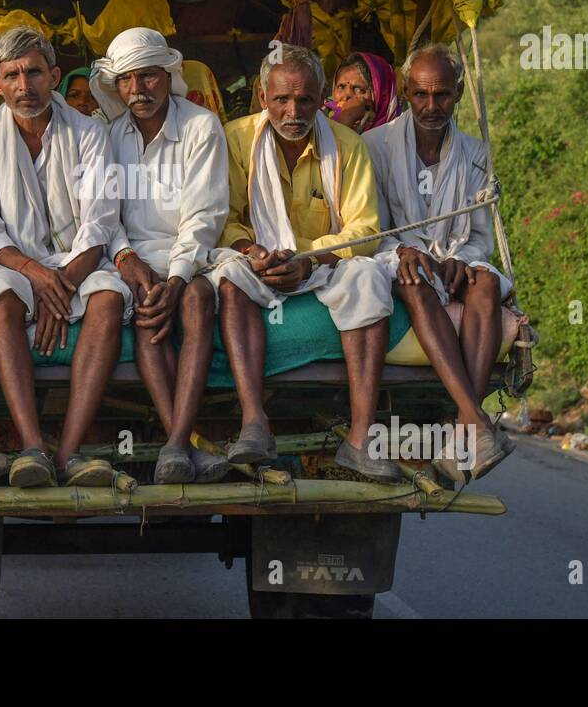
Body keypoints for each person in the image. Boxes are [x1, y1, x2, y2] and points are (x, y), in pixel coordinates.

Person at [205, 45, 400, 482]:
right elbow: (221, 221)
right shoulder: (233, 139)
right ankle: (255, 423)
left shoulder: (348, 145)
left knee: (368, 275)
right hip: (257, 262)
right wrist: (253, 252)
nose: (293, 111)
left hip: (320, 264)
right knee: (228, 275)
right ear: (262, 96)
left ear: (322, 97)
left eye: (305, 100)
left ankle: (361, 438)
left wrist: (308, 261)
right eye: (281, 100)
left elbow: (365, 230)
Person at [0, 27, 132, 488]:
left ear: (53, 75)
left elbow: (100, 220)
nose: (24, 86)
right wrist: (37, 276)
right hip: (14, 263)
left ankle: (69, 452)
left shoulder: (90, 132)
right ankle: (32, 446)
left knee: (110, 301)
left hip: (79, 262)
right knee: (0, 302)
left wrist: (63, 284)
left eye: (33, 72)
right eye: (12, 75)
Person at [363, 43, 514, 482]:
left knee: (485, 284)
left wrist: (461, 261)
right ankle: (473, 419)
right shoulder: (377, 144)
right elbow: (372, 229)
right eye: (421, 95)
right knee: (415, 283)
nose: (432, 106)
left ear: (459, 93)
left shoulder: (475, 153)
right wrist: (407, 253)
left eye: (442, 95)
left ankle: (465, 423)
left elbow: (480, 236)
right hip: (400, 260)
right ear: (406, 91)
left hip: (453, 258)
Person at [89, 28, 231, 484]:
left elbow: (204, 214)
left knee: (193, 301)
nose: (137, 90)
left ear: (168, 75)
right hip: (131, 258)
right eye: (127, 81)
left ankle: (174, 443)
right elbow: (103, 214)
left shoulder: (200, 127)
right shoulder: (108, 136)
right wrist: (128, 258)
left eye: (148, 77)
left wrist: (177, 276)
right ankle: (181, 443)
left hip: (191, 254)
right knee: (146, 306)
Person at [323, 51, 400, 133]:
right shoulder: (320, 125)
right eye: (341, 87)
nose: (346, 96)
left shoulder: (398, 136)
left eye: (359, 89)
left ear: (382, 97)